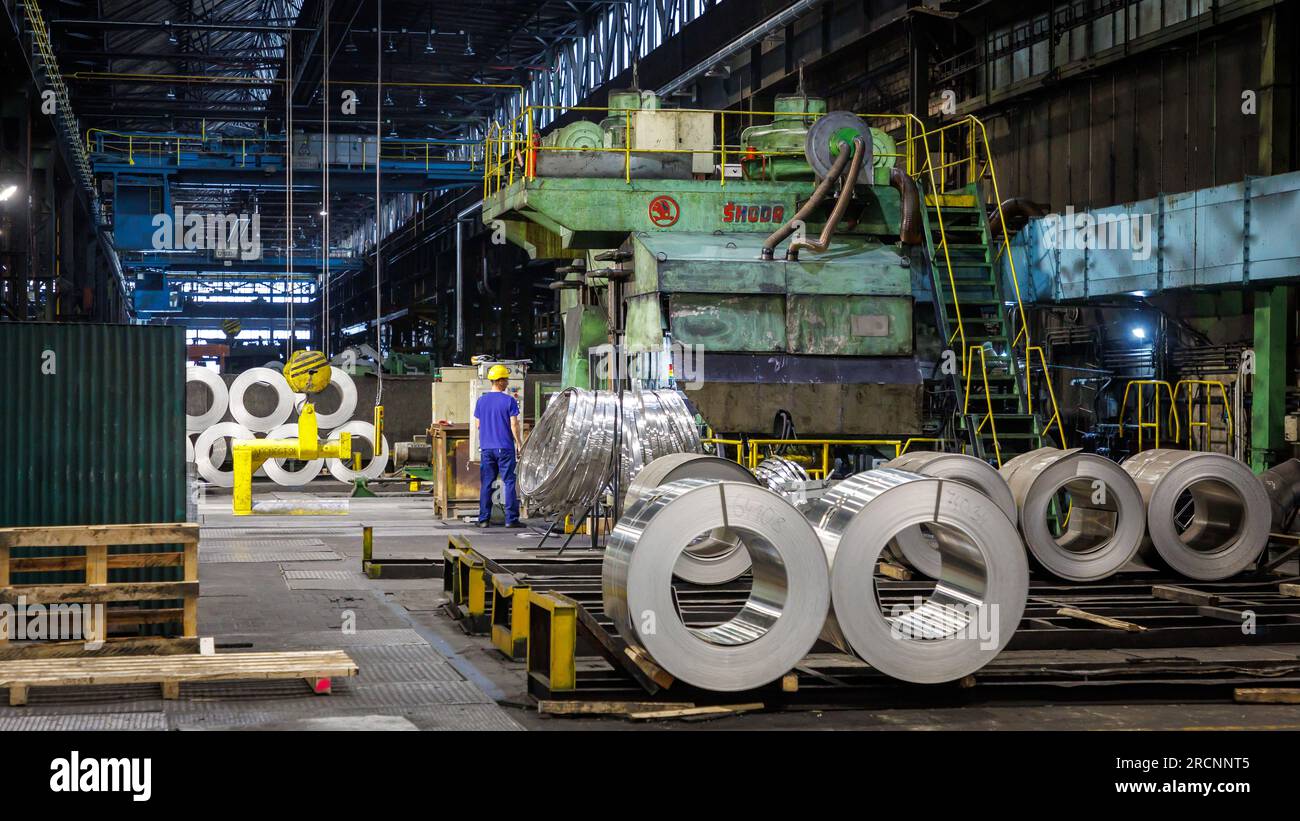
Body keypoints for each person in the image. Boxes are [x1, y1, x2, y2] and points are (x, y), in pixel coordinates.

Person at [474, 364, 523, 528]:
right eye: (506, 379)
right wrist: (519, 443)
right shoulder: (509, 401)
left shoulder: (481, 401)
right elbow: (514, 425)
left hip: (486, 449)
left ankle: (483, 519)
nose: (508, 382)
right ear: (500, 381)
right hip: (505, 448)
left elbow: (478, 424)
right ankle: (511, 519)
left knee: (487, 483)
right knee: (509, 482)